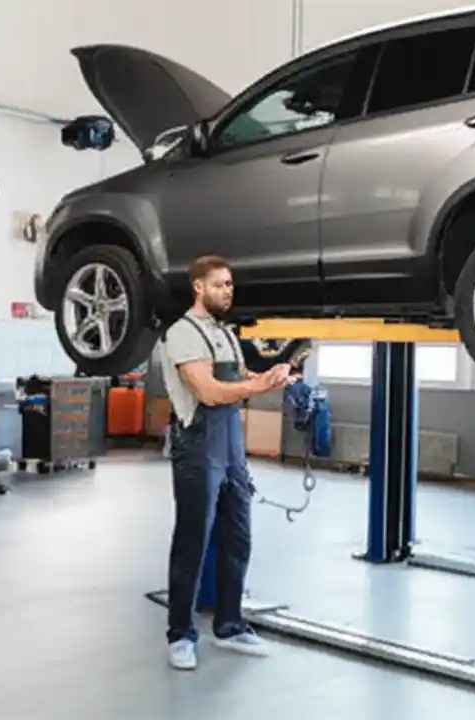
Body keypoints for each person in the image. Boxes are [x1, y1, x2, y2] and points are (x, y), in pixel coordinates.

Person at [157, 254, 293, 671]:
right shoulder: (183, 333)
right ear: (198, 287)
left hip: (231, 446)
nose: (227, 291)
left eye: (231, 284)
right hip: (198, 444)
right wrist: (255, 384)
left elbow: (238, 379)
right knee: (193, 541)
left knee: (238, 534)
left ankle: (230, 625)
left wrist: (271, 378)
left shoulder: (224, 333)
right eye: (219, 285)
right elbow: (210, 392)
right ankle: (180, 634)